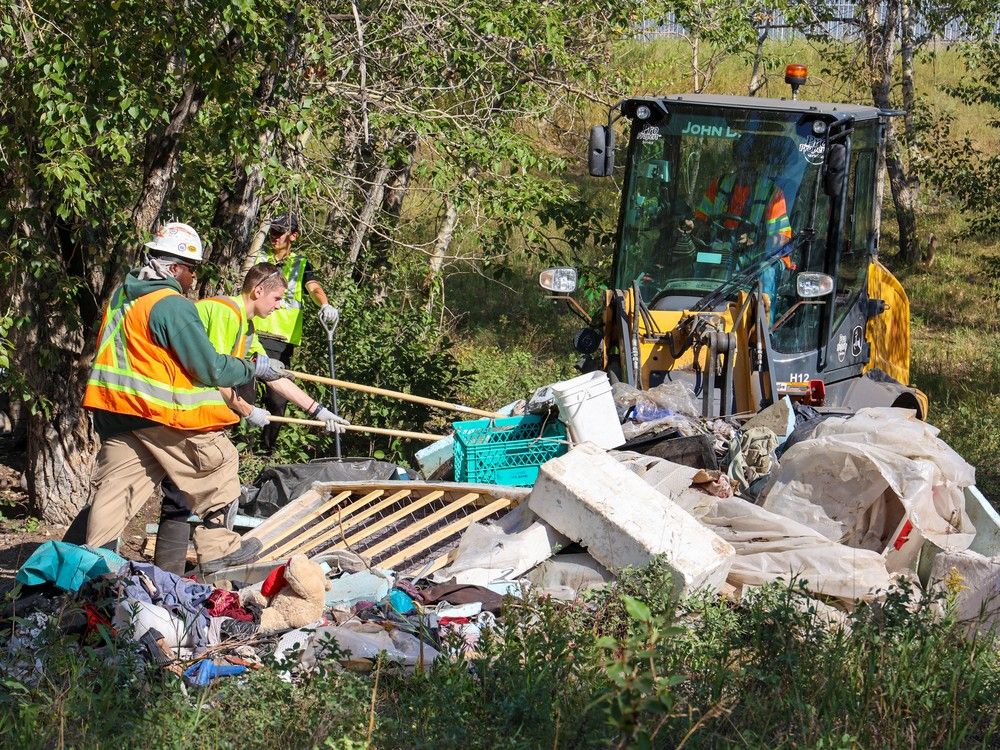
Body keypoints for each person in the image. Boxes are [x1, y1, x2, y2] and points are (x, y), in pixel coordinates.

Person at [82, 222, 284, 572]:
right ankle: (218, 548)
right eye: (191, 268)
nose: (192, 277)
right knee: (220, 462)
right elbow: (209, 369)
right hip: (154, 410)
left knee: (116, 492)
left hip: (114, 411)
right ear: (174, 267)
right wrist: (253, 368)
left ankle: (89, 572)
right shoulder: (170, 305)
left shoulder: (123, 298)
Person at [153, 263, 349, 573]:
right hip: (178, 409)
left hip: (190, 413)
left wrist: (318, 410)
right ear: (258, 291)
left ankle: (170, 573)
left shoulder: (246, 326)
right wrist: (248, 410)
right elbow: (211, 373)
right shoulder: (224, 313)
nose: (279, 306)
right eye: (277, 298)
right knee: (218, 475)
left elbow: (274, 375)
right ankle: (208, 558)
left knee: (176, 492)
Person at [252, 212, 337, 452]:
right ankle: (235, 444)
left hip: (282, 341)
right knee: (243, 391)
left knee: (277, 401)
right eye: (273, 231)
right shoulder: (258, 256)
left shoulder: (301, 263)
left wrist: (325, 305)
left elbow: (314, 287)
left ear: (294, 236)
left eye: (280, 232)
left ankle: (265, 451)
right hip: (254, 333)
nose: (275, 236)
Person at [691, 134, 794, 254]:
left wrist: (755, 240)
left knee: (766, 273)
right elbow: (701, 219)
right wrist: (692, 225)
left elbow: (782, 238)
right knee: (693, 265)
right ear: (735, 158)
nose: (745, 163)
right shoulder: (720, 184)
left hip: (755, 261)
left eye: (749, 159)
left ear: (758, 160)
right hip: (718, 253)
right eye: (741, 158)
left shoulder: (772, 193)